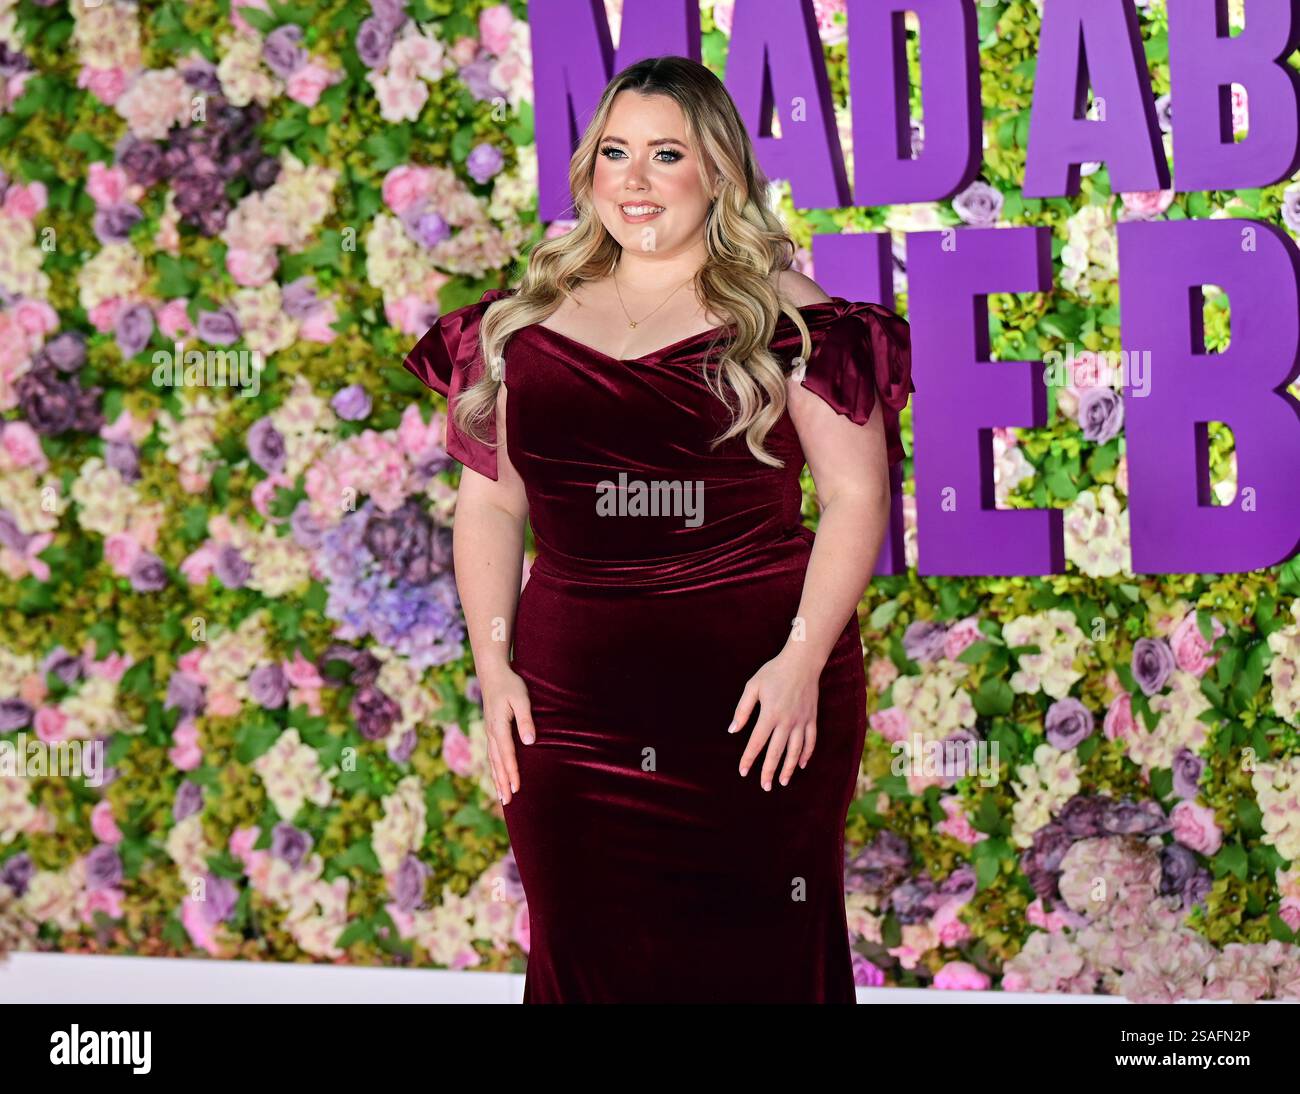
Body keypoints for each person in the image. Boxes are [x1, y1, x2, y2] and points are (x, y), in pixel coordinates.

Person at [403, 54, 914, 1003]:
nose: (633, 182)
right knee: (583, 957)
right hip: (569, 704)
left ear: (717, 173)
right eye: (614, 153)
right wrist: (493, 668)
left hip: (755, 701)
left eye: (666, 154)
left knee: (756, 960)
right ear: (588, 169)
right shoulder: (521, 323)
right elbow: (493, 503)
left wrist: (801, 665)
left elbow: (857, 500)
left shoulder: (797, 321)